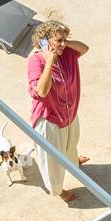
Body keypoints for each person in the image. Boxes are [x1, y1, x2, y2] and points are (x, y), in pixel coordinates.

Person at [27, 20, 90, 202]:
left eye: (65, 39)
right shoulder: (36, 61)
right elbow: (41, 91)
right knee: (52, 161)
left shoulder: (67, 52)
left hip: (69, 113)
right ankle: (59, 190)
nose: (63, 44)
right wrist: (49, 61)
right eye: (59, 41)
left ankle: (73, 161)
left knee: (71, 142)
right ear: (45, 41)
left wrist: (63, 44)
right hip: (50, 120)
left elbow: (85, 48)